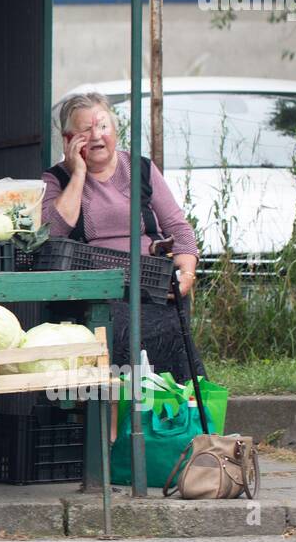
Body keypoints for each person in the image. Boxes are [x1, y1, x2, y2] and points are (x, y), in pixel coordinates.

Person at [41, 92, 203, 380]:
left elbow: (179, 229)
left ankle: (169, 416)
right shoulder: (55, 180)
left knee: (174, 336)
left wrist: (187, 274)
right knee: (121, 328)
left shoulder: (140, 169)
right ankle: (123, 415)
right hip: (96, 295)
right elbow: (52, 231)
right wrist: (78, 173)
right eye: (85, 131)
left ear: (115, 131)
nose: (96, 136)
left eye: (103, 127)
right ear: (68, 139)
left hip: (152, 288)